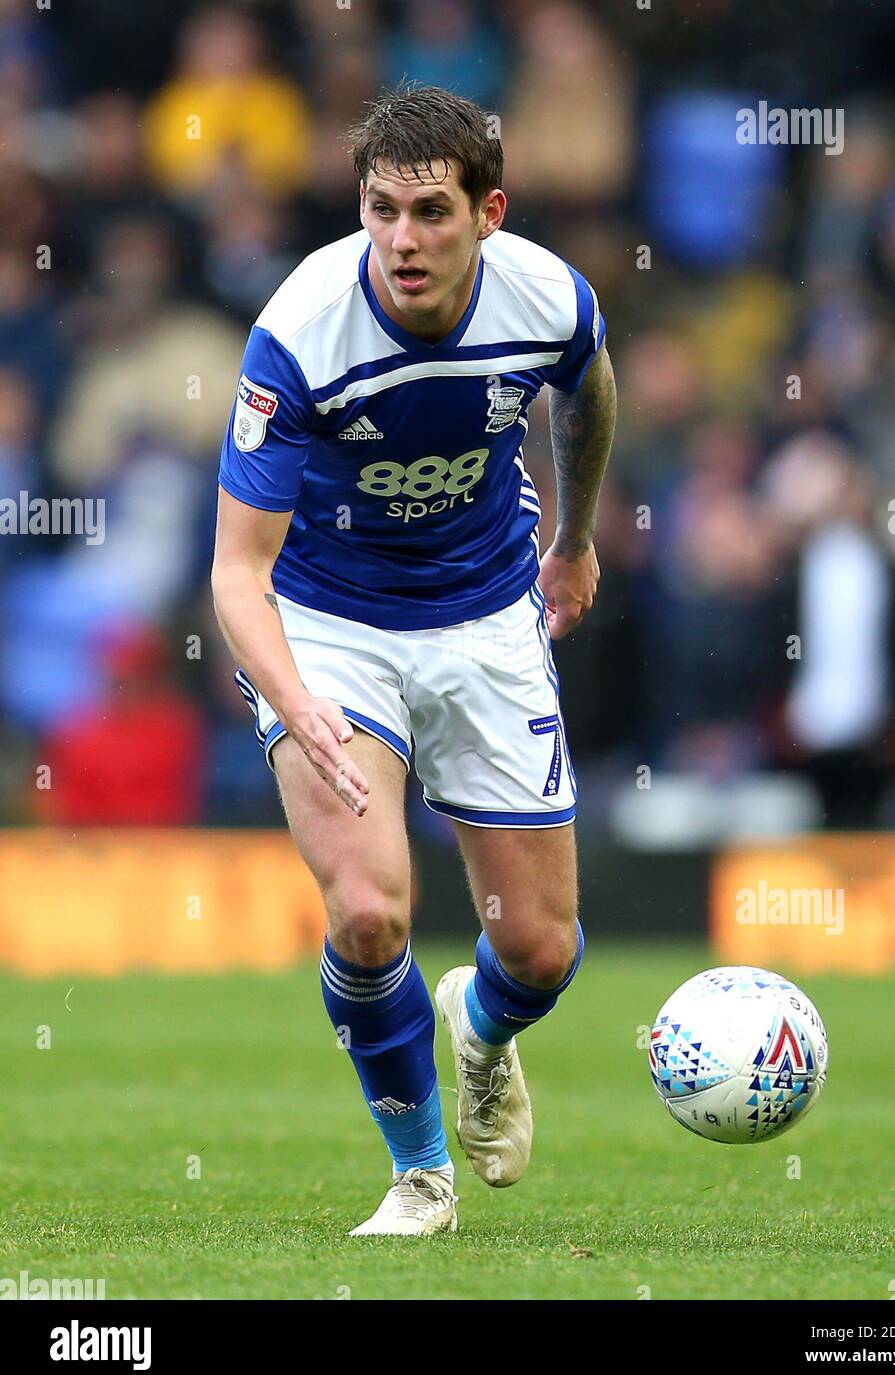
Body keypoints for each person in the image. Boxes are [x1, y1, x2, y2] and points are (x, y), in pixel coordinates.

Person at [211, 83, 616, 1235]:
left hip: (488, 610)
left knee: (539, 949)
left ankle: (482, 1028)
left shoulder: (548, 296)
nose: (402, 240)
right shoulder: (298, 330)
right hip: (331, 625)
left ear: (489, 211)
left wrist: (573, 540)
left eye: (431, 212)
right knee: (370, 911)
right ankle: (420, 1174)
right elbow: (236, 572)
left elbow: (588, 384)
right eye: (382, 209)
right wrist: (297, 702)